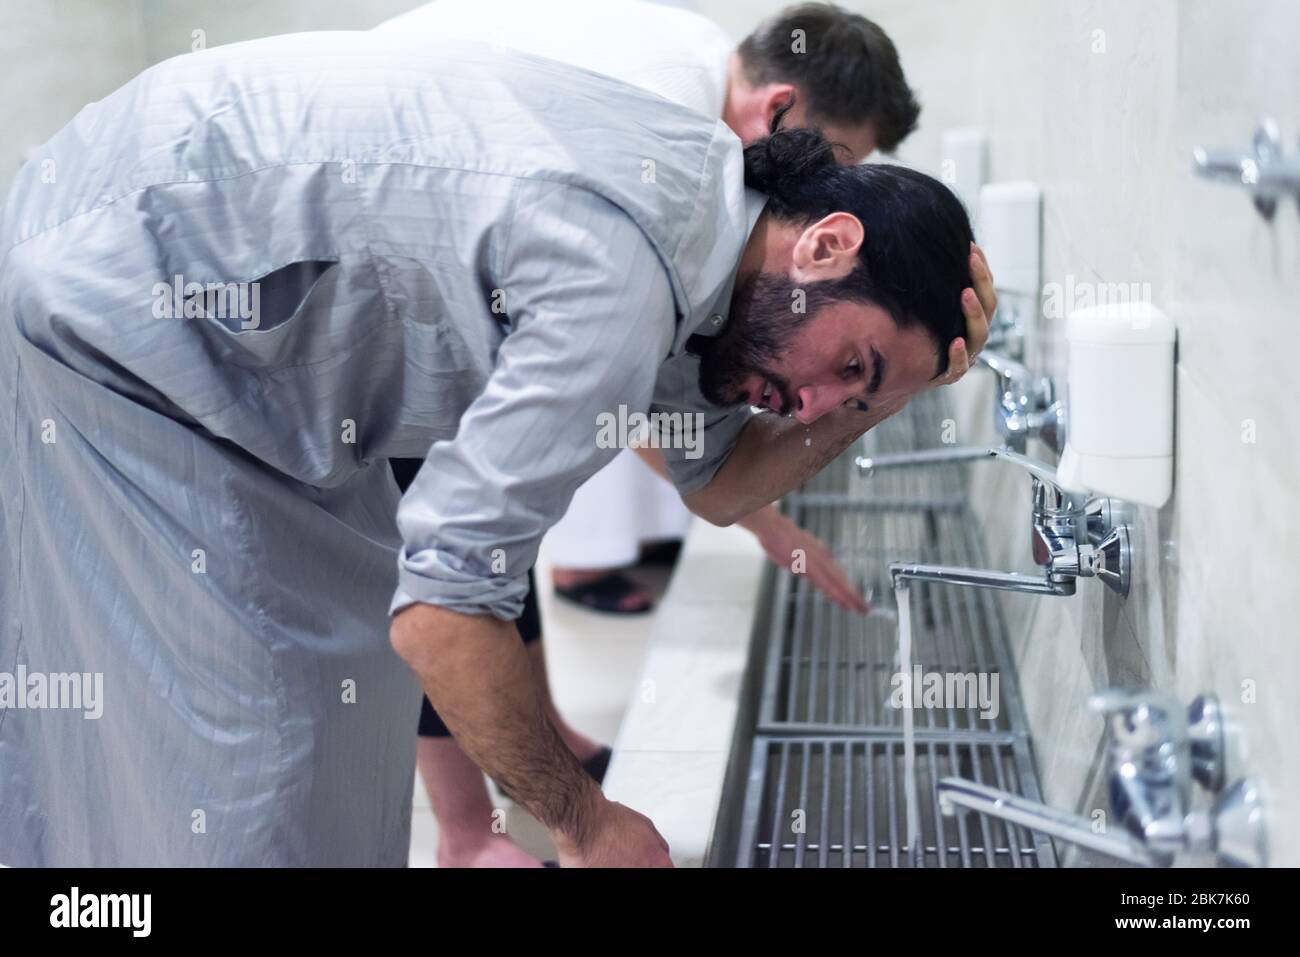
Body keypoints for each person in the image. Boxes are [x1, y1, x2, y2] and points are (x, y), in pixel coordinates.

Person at [0, 31, 993, 866]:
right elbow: (444, 613)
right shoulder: (621, 278)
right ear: (822, 247)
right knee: (250, 765)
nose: (814, 404)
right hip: (127, 298)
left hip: (253, 346)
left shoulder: (714, 233)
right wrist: (583, 819)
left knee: (332, 718)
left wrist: (896, 388)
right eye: (850, 365)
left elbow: (720, 482)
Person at [375, 0, 924, 866]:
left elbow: (649, 390)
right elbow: (616, 383)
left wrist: (759, 508)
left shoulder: (708, 124)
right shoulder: (661, 125)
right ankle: (458, 832)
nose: (824, 183)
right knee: (457, 549)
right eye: (834, 157)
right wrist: (582, 822)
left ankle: (540, 732)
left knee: (494, 540)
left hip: (438, 225)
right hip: (387, 237)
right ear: (779, 108)